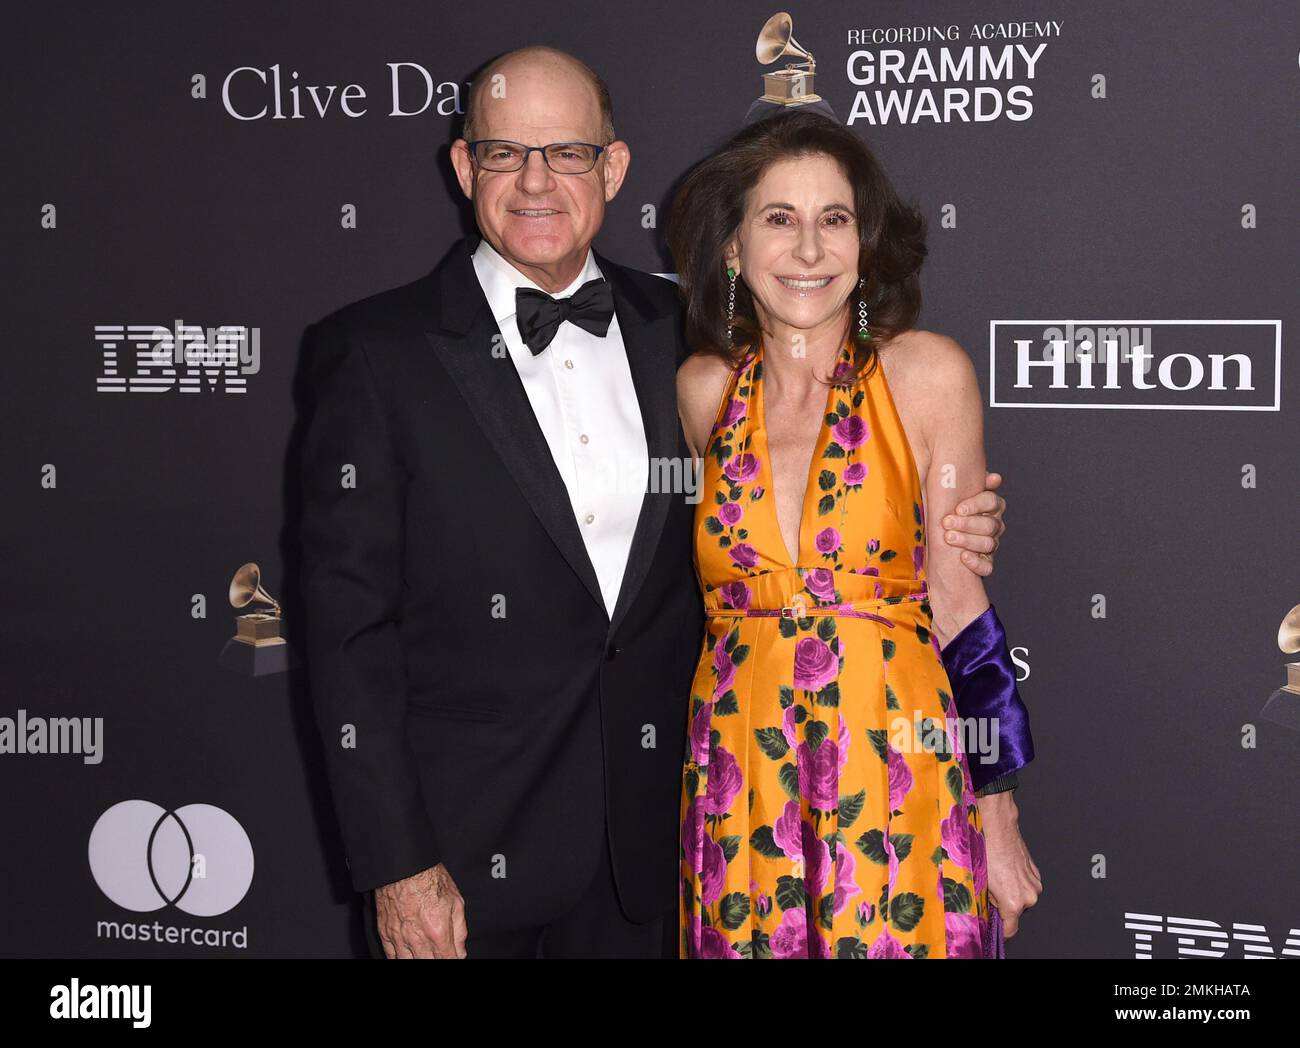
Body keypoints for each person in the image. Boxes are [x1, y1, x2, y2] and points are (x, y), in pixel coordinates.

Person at [298, 46, 1008, 960]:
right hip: (465, 861)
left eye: (569, 153)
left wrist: (952, 516)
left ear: (615, 168)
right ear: (465, 166)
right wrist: (398, 868)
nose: (539, 180)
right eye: (508, 152)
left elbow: (816, 499)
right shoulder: (371, 353)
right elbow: (346, 634)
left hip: (669, 844)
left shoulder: (689, 342)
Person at [671, 110, 1039, 959]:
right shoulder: (703, 393)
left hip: (895, 766)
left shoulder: (927, 374)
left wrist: (998, 804)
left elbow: (957, 599)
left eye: (834, 220)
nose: (809, 248)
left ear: (865, 244)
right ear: (731, 248)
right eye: (778, 219)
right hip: (742, 772)